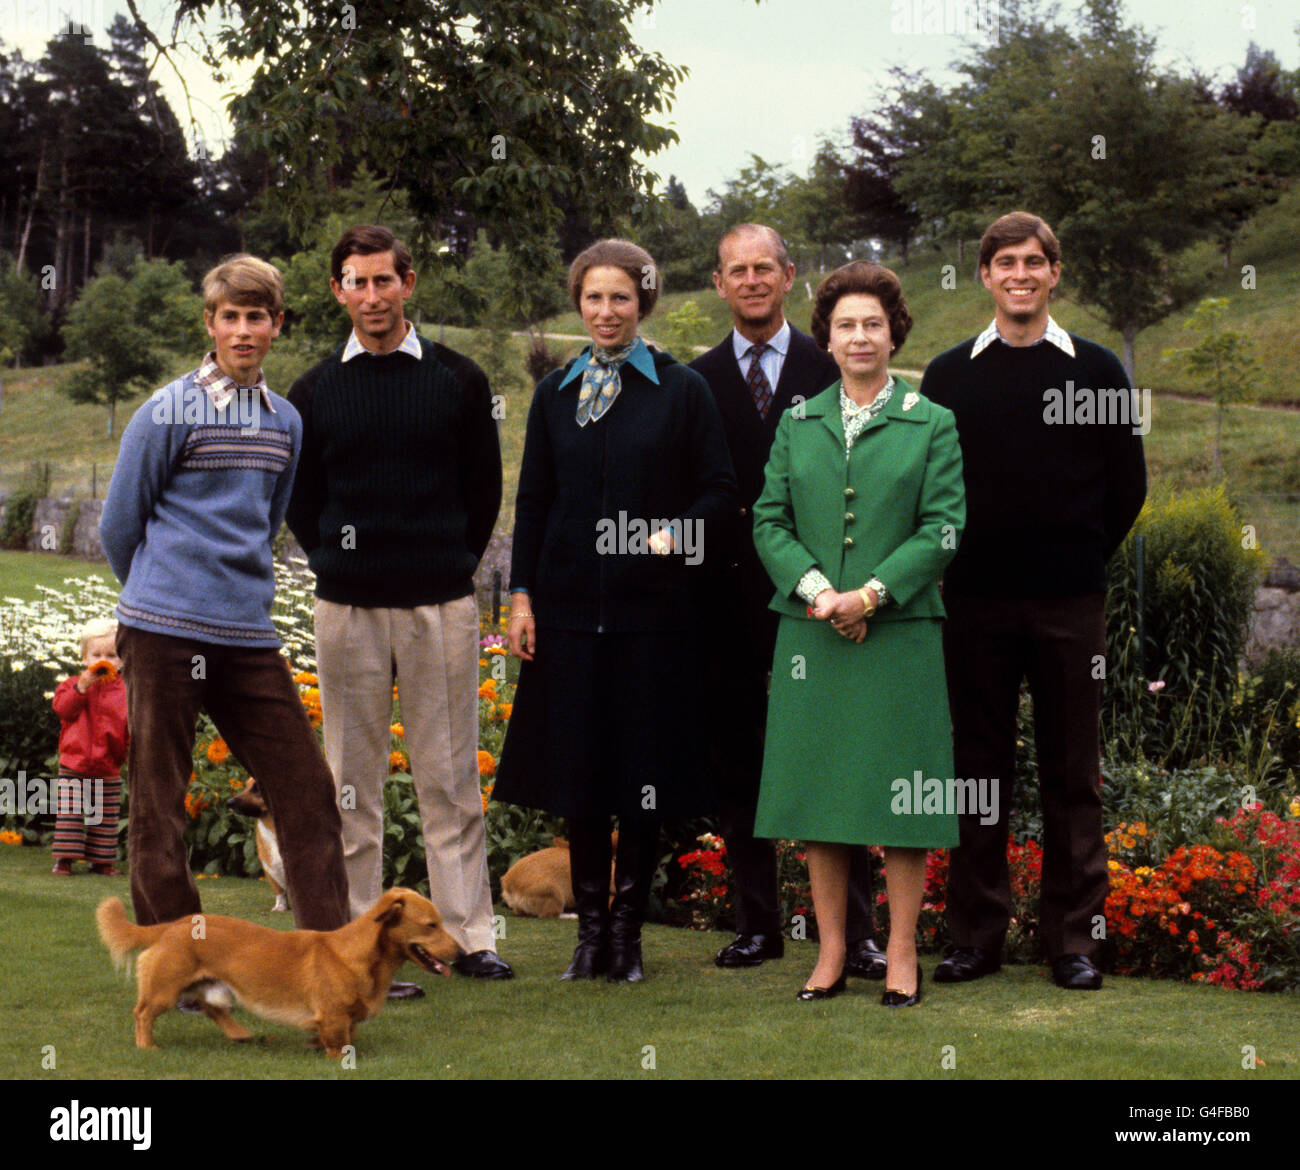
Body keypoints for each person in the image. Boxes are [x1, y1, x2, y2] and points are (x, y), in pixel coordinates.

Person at [494, 238, 737, 982]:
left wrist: (672, 535)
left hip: (653, 619)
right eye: (594, 298)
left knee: (640, 778)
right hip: (566, 615)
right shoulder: (554, 394)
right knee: (581, 776)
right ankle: (589, 934)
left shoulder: (681, 389)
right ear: (579, 304)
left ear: (644, 303)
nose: (606, 311)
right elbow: (533, 502)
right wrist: (522, 596)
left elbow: (721, 493)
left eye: (621, 298)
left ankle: (627, 935)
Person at [920, 211, 1146, 991]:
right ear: (984, 275)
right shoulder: (949, 377)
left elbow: (1128, 488)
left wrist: (1077, 558)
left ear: (1055, 272)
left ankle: (1074, 942)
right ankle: (975, 937)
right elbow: (928, 491)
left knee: (1072, 775)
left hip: (1068, 604)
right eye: (1005, 261)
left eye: (1034, 261)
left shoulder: (1099, 371)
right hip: (973, 603)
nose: (1019, 273)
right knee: (976, 771)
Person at [286, 224, 511, 987]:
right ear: (337, 290)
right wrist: (334, 560)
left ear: (409, 284)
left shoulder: (458, 379)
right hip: (347, 607)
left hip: (437, 604)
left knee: (449, 779)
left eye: (385, 280)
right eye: (357, 281)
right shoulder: (314, 390)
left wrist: (449, 563)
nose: (372, 296)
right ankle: (361, 945)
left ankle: (470, 937)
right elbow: (302, 497)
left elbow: (484, 490)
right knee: (351, 782)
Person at [100, 254, 350, 932]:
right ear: (210, 323)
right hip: (162, 632)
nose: (243, 331)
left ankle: (331, 955)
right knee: (158, 799)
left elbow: (265, 525)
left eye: (257, 318)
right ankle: (178, 962)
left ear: (275, 326)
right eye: (230, 317)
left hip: (246, 636)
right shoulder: (167, 411)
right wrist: (158, 600)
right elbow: (119, 524)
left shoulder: (285, 423)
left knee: (306, 789)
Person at [752, 260, 964, 1005]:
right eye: (846, 324)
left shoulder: (931, 421)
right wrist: (820, 595)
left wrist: (869, 595)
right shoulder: (798, 420)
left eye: (873, 323)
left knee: (904, 800)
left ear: (893, 331)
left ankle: (902, 951)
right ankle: (833, 951)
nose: (860, 336)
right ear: (829, 337)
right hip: (812, 636)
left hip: (898, 632)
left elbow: (944, 528)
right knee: (821, 797)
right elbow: (767, 520)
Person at [691, 224, 887, 979]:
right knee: (739, 764)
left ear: (788, 276)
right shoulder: (696, 378)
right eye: (736, 271)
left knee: (839, 760)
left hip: (824, 598)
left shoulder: (831, 362)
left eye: (763, 268)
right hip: (728, 601)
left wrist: (852, 592)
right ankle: (757, 925)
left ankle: (859, 935)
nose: (750, 281)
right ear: (718, 283)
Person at [51, 617, 127, 877]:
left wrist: (123, 752)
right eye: (96, 654)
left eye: (111, 655)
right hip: (75, 762)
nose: (102, 660)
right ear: (84, 658)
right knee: (70, 813)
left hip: (108, 763)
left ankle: (102, 860)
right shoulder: (73, 685)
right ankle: (64, 859)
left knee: (105, 815)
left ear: (122, 660)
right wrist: (81, 686)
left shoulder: (126, 690)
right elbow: (62, 709)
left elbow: (131, 725)